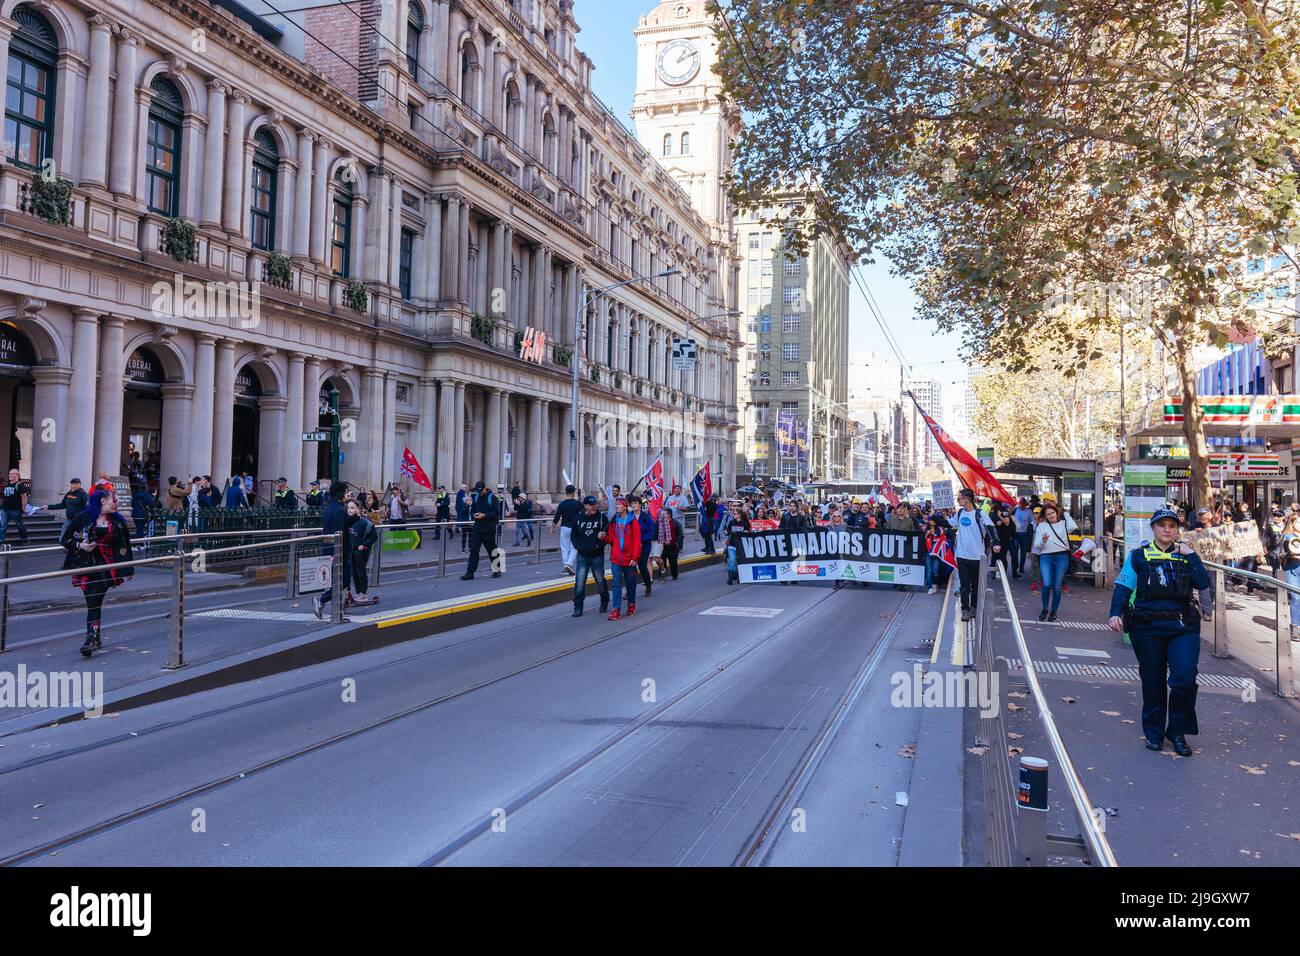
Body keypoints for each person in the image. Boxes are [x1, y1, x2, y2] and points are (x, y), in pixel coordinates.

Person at [1108, 509, 1210, 757]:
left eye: (1172, 526)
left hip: (1182, 626)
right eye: (1162, 525)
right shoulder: (1139, 556)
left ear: (1177, 530)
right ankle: (1154, 732)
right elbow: (1123, 586)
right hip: (1147, 627)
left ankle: (1176, 731)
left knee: (1184, 679)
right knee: (1153, 681)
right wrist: (1115, 612)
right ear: (1153, 528)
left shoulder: (1185, 555)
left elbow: (1203, 583)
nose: (1167, 529)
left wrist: (1192, 556)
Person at [60, 489, 133, 656]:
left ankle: (91, 638)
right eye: (114, 500)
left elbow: (124, 546)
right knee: (92, 602)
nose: (117, 503)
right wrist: (80, 545)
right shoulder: (83, 518)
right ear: (102, 501)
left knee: (94, 600)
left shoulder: (118, 522)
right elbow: (66, 539)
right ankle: (95, 637)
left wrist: (127, 569)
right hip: (86, 566)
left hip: (106, 568)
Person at [952, 487, 998, 621]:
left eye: (960, 498)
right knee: (964, 585)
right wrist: (936, 519)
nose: (958, 500)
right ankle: (965, 609)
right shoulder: (960, 513)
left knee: (976, 584)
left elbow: (990, 527)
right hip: (961, 555)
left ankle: (974, 607)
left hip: (977, 556)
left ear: (967, 499)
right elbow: (949, 523)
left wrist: (996, 543)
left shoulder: (980, 513)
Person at [1033, 500, 1077, 622]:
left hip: (1061, 557)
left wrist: (1066, 513)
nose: (1051, 515)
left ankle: (1053, 612)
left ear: (1057, 513)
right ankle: (1045, 608)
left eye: (1053, 513)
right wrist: (1043, 541)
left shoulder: (1064, 524)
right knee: (1046, 584)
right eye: (1048, 514)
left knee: (1057, 587)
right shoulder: (1042, 526)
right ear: (1045, 516)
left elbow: (1073, 526)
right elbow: (1037, 545)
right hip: (1046, 557)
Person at [312, 485, 349, 620]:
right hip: (339, 551)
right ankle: (323, 603)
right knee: (342, 581)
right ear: (342, 494)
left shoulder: (329, 507)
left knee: (338, 581)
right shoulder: (339, 510)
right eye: (346, 492)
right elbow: (340, 532)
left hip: (330, 549)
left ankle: (337, 611)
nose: (347, 495)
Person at [571, 495, 610, 617]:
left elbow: (607, 535)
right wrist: (578, 547)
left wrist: (599, 545)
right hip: (582, 555)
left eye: (595, 504)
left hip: (596, 555)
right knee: (580, 582)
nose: (594, 507)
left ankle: (604, 601)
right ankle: (578, 606)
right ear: (585, 505)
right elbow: (574, 536)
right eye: (591, 505)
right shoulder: (578, 518)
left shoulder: (602, 518)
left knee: (600, 580)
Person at [605, 496, 641, 620]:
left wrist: (635, 557)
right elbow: (611, 539)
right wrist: (603, 537)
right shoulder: (614, 521)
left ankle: (631, 603)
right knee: (616, 583)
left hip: (629, 559)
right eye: (616, 505)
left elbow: (637, 541)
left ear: (625, 506)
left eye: (619, 504)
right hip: (616, 558)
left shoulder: (632, 521)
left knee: (630, 583)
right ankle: (616, 609)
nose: (617, 507)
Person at [460, 481, 502, 580]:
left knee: (492, 550)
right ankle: (470, 572)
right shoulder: (476, 497)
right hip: (477, 528)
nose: (479, 493)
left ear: (485, 488)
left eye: (481, 491)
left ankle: (497, 570)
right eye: (477, 491)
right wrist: (474, 515)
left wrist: (484, 515)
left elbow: (496, 513)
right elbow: (473, 510)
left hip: (489, 529)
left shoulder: (492, 498)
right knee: (474, 551)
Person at [343, 498, 380, 605]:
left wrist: (364, 545)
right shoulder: (347, 521)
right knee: (353, 572)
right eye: (348, 508)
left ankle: (363, 593)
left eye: (352, 508)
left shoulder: (365, 522)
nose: (350, 510)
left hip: (361, 551)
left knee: (360, 571)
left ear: (358, 509)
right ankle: (358, 592)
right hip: (350, 551)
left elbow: (374, 536)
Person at [1277, 512, 1300, 640]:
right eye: (1298, 522)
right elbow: (1285, 552)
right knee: (1296, 597)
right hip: (1292, 570)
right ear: (1292, 523)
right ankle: (1295, 627)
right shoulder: (1287, 536)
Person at [630, 495, 656, 595]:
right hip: (632, 547)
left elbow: (650, 533)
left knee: (642, 566)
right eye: (632, 503)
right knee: (631, 569)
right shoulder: (629, 516)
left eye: (636, 503)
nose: (634, 505)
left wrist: (639, 540)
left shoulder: (646, 517)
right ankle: (630, 590)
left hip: (644, 546)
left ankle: (648, 585)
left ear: (640, 505)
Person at [552, 484, 580, 574]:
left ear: (566, 492)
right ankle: (569, 563)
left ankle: (565, 565)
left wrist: (552, 527)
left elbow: (557, 516)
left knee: (564, 547)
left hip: (564, 527)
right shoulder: (578, 504)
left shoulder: (562, 504)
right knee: (574, 547)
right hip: (575, 527)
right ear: (573, 492)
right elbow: (583, 514)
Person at [1, 467, 30, 545]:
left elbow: (24, 497)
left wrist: (24, 507)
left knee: (19, 525)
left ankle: (24, 539)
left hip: (15, 509)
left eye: (11, 474)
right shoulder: (8, 484)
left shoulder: (19, 485)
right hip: (5, 509)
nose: (9, 475)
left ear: (16, 475)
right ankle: (1, 540)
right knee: (2, 525)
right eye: (9, 473)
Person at [657, 502, 683, 582]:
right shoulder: (660, 523)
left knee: (673, 562)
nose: (665, 515)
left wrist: (678, 544)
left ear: (670, 515)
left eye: (667, 514)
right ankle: (662, 576)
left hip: (673, 545)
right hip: (663, 545)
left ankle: (674, 575)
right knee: (662, 561)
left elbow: (680, 534)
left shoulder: (675, 523)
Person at [1012, 498, 1034, 578]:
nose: (1022, 505)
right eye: (1021, 504)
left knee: (1023, 552)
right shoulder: (1015, 510)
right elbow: (1011, 519)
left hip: (1024, 533)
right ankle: (1016, 567)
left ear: (1025, 504)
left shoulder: (1029, 511)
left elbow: (1032, 521)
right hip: (1016, 534)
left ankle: (1021, 567)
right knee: (1015, 551)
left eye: (1023, 504)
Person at [455, 483, 471, 551]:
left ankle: (468, 548)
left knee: (469, 535)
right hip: (465, 518)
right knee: (465, 534)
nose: (466, 488)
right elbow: (462, 502)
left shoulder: (461, 493)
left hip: (469, 521)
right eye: (465, 487)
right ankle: (464, 548)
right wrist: (466, 504)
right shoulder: (461, 493)